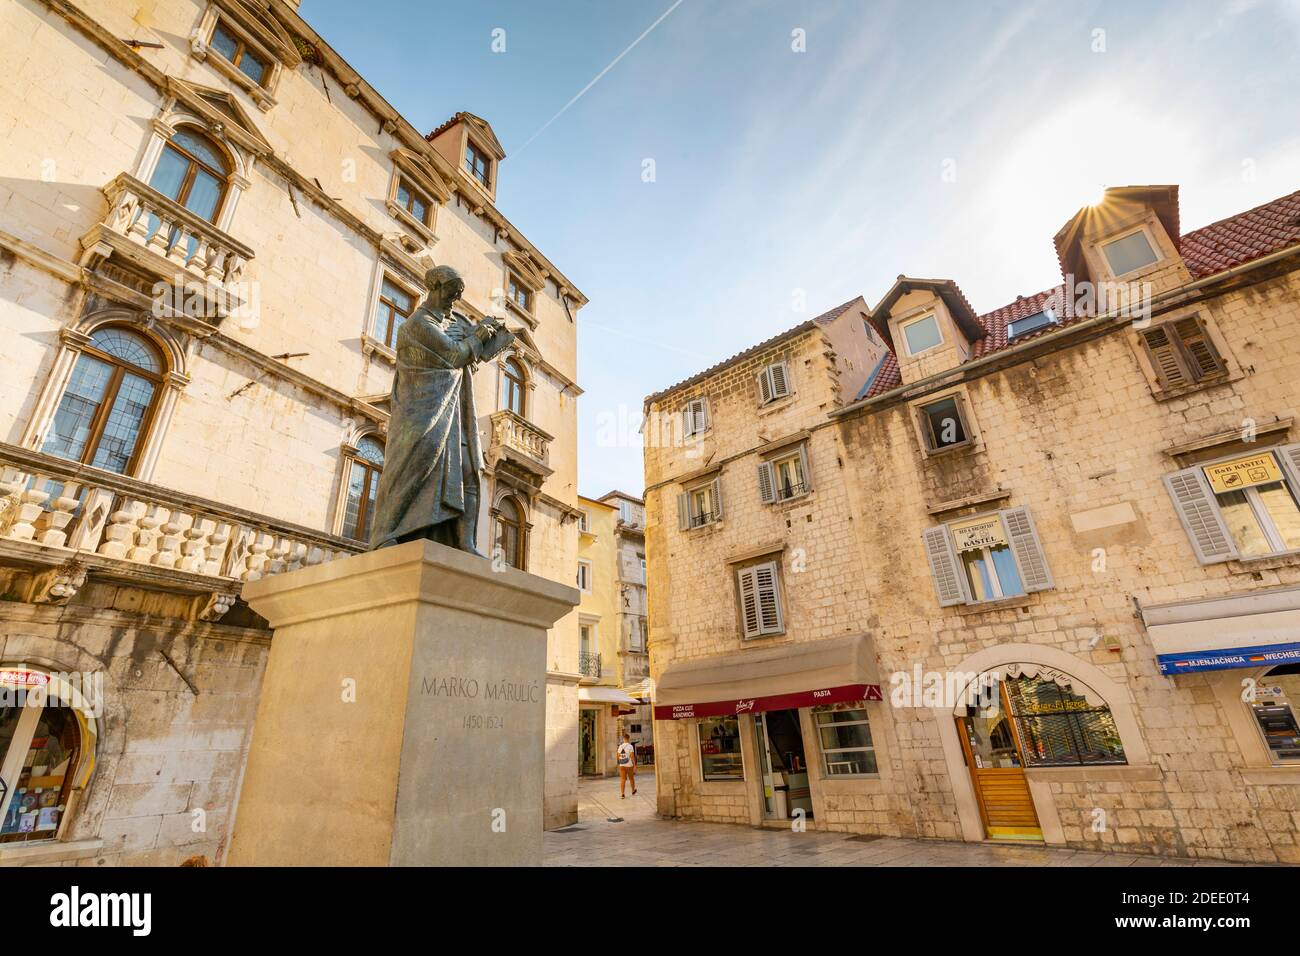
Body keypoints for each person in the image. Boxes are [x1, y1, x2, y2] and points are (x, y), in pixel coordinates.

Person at [617, 732, 637, 798]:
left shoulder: (620, 746)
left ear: (623, 739)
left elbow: (618, 756)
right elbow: (632, 756)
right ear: (628, 739)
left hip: (622, 765)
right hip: (629, 765)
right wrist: (634, 765)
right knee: (631, 778)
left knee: (623, 779)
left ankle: (622, 794)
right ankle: (633, 790)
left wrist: (620, 762)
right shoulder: (630, 746)